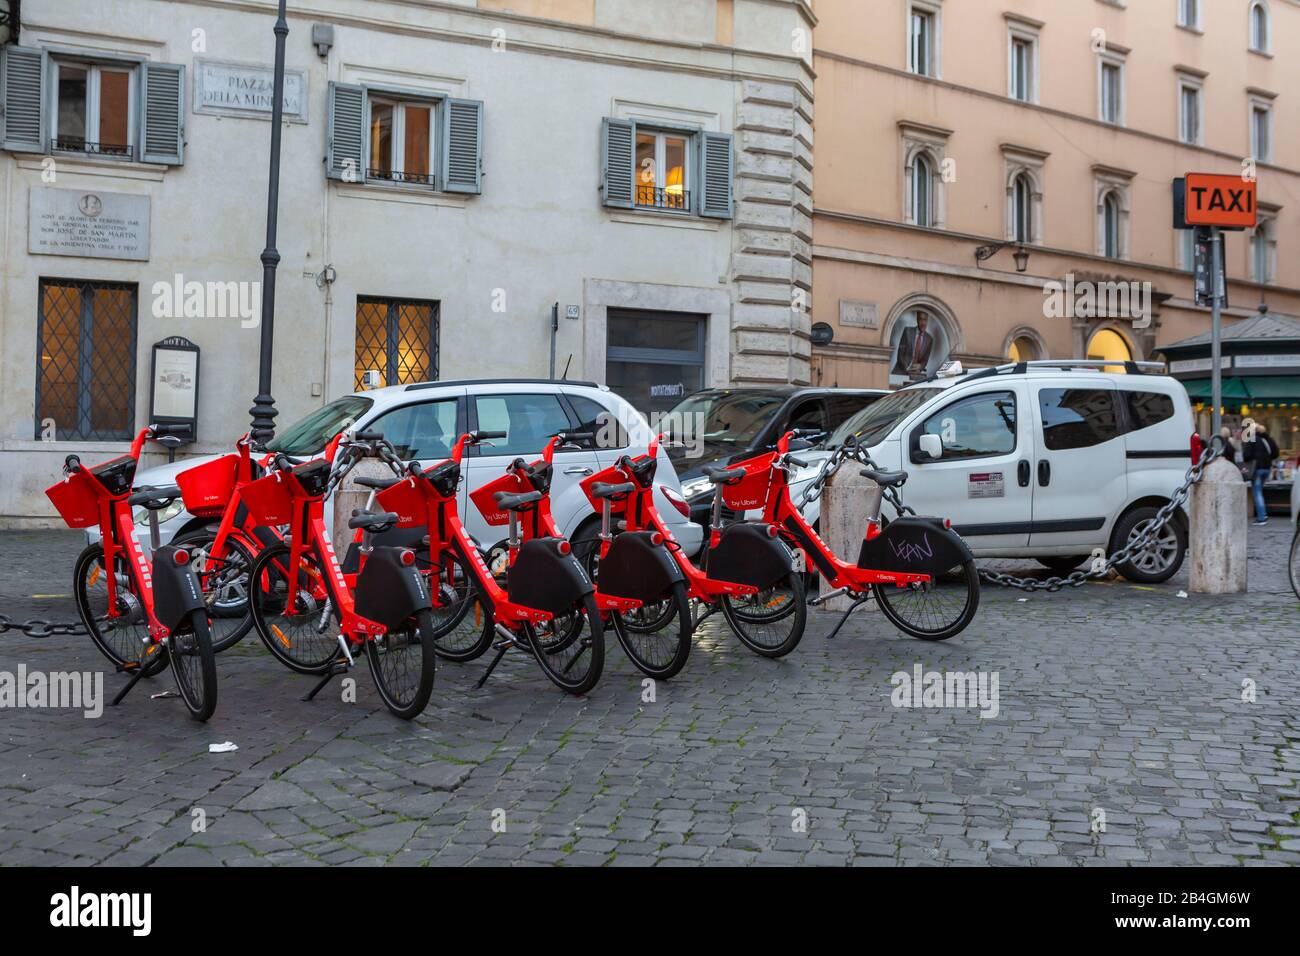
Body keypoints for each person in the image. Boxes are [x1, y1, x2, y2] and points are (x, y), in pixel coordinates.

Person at [1241, 419, 1279, 525]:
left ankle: (1262, 518)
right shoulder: (1268, 439)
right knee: (1259, 492)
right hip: (1267, 468)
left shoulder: (1252, 439)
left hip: (1257, 469)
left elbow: (1246, 455)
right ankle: (1263, 514)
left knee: (1257, 493)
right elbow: (1275, 453)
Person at [893, 311, 934, 381]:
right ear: (917, 319)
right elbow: (900, 354)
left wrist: (920, 367)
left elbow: (925, 360)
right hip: (901, 371)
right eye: (921, 319)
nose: (923, 323)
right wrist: (907, 368)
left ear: (927, 321)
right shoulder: (907, 331)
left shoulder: (929, 339)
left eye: (925, 320)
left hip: (916, 374)